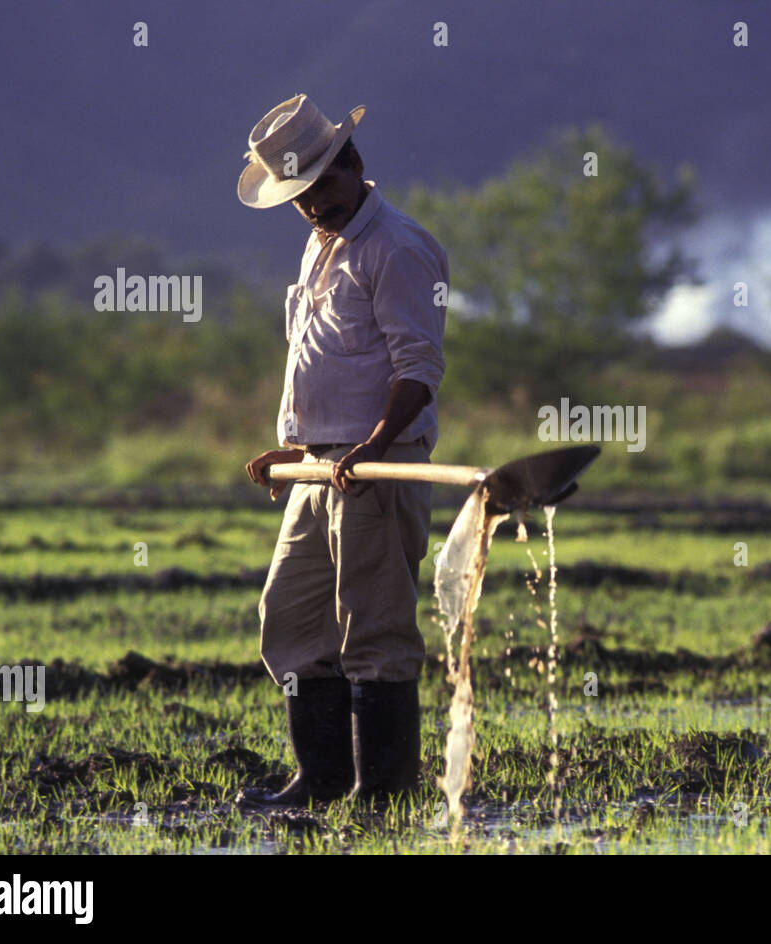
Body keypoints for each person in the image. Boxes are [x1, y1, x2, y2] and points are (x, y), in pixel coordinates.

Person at [235, 93, 448, 809]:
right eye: (299, 198)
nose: (314, 205)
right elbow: (329, 361)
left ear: (354, 166)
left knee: (374, 627)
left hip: (375, 470)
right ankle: (321, 779)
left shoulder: (399, 247)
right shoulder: (322, 242)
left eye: (321, 188)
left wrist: (373, 445)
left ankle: (382, 792)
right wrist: (291, 447)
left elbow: (416, 369)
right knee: (291, 621)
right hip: (317, 466)